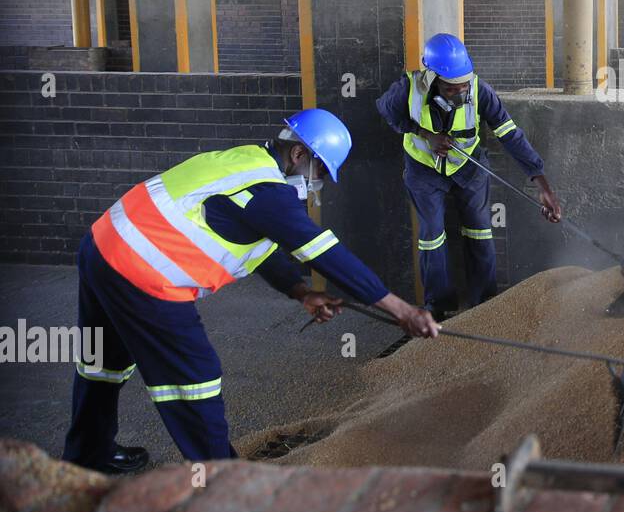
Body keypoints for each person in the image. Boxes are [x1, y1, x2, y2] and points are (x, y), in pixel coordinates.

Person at [62, 108, 436, 474]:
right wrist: (402, 310)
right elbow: (326, 252)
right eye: (319, 170)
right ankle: (223, 484)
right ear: (299, 153)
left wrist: (301, 292)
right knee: (196, 377)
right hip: (142, 270)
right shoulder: (268, 191)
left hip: (102, 246)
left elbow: (259, 247)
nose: (317, 181)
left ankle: (88, 453)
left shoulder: (246, 163)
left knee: (103, 362)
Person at [376, 33, 561, 319]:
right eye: (451, 89)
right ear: (432, 78)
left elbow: (510, 134)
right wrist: (425, 134)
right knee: (431, 236)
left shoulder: (480, 90)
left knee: (480, 230)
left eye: (464, 85)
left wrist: (541, 182)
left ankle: (484, 305)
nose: (461, 93)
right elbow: (387, 111)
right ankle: (438, 307)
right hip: (423, 169)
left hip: (470, 167)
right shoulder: (409, 88)